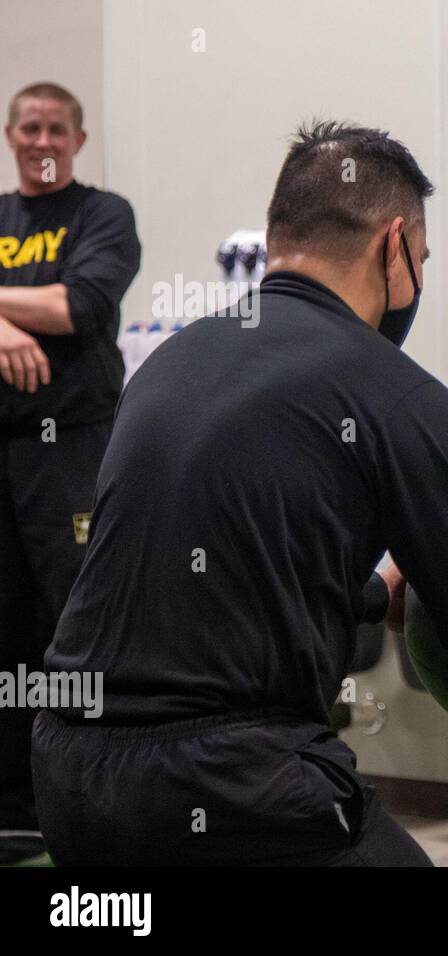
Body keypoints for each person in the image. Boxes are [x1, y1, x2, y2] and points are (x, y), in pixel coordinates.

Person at [32, 121, 448, 866]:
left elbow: (212, 576)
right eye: (424, 259)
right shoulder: (396, 395)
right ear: (395, 245)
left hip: (70, 770)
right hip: (227, 782)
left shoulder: (168, 364)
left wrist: (375, 595)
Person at [0, 81, 140, 865]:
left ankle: (94, 803)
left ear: (78, 140)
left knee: (77, 627)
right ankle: (13, 810)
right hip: (1, 448)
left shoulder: (103, 215)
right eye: (30, 127)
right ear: (11, 134)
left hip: (74, 451)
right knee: (5, 629)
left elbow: (76, 307)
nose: (42, 139)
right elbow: (40, 305)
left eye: (57, 128)